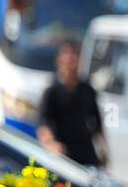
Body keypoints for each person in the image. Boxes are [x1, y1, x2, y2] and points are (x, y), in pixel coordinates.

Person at [37, 40, 109, 168]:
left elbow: (97, 125)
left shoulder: (87, 89)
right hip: (63, 155)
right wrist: (51, 144)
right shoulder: (51, 92)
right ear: (59, 60)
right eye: (67, 54)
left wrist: (105, 152)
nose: (71, 59)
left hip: (87, 154)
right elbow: (44, 125)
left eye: (75, 54)